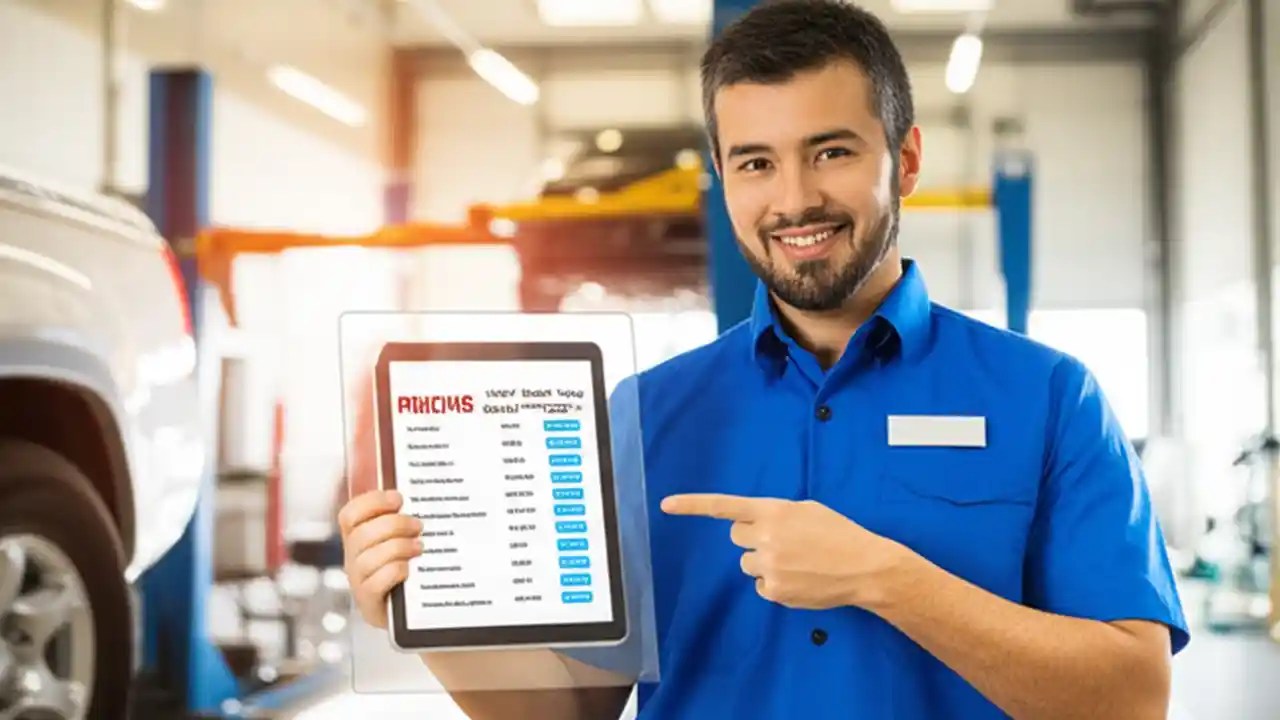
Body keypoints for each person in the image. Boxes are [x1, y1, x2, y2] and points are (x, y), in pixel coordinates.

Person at [337, 1, 1190, 718]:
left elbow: (1131, 693)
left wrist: (887, 578)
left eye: (832, 152)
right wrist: (431, 611)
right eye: (756, 163)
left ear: (907, 159)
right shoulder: (644, 413)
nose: (794, 199)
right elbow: (570, 710)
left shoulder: (1048, 397)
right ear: (721, 177)